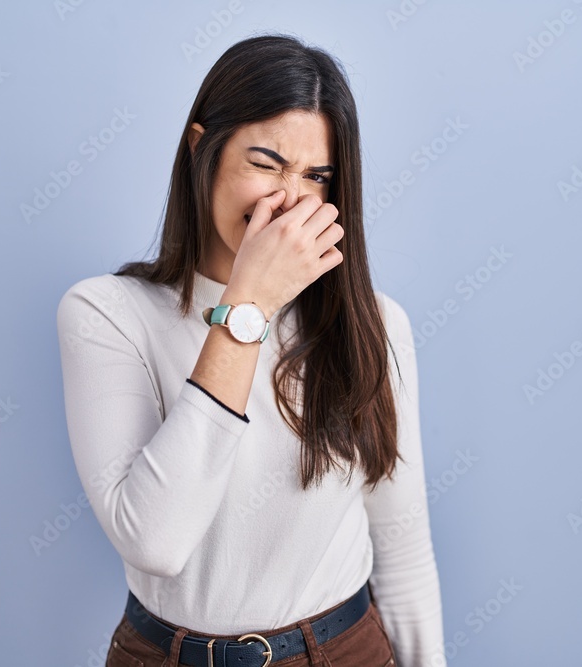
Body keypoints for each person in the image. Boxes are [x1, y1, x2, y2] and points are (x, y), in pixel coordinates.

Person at [56, 34, 446, 667]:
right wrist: (250, 308)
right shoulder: (107, 314)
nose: (288, 199)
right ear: (199, 150)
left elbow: (401, 548)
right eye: (266, 163)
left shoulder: (374, 323)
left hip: (344, 650)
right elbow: (155, 540)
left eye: (316, 176)